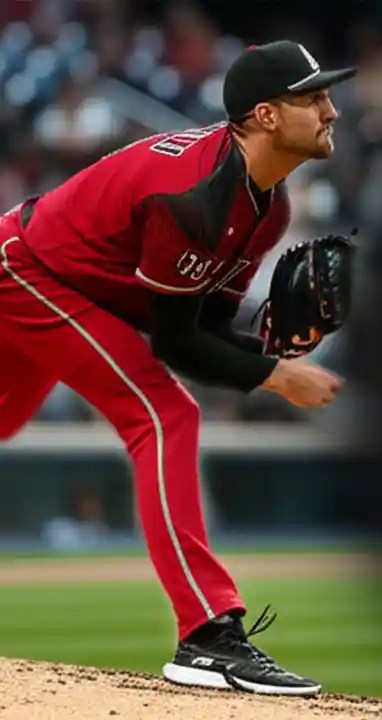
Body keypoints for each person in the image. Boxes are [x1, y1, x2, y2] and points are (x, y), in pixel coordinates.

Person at [0, 40, 357, 696]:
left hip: (58, 277)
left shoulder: (266, 209)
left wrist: (273, 348)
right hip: (26, 271)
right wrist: (276, 374)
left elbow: (203, 329)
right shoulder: (197, 198)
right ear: (267, 116)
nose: (331, 109)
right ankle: (208, 635)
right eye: (313, 97)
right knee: (164, 414)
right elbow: (175, 347)